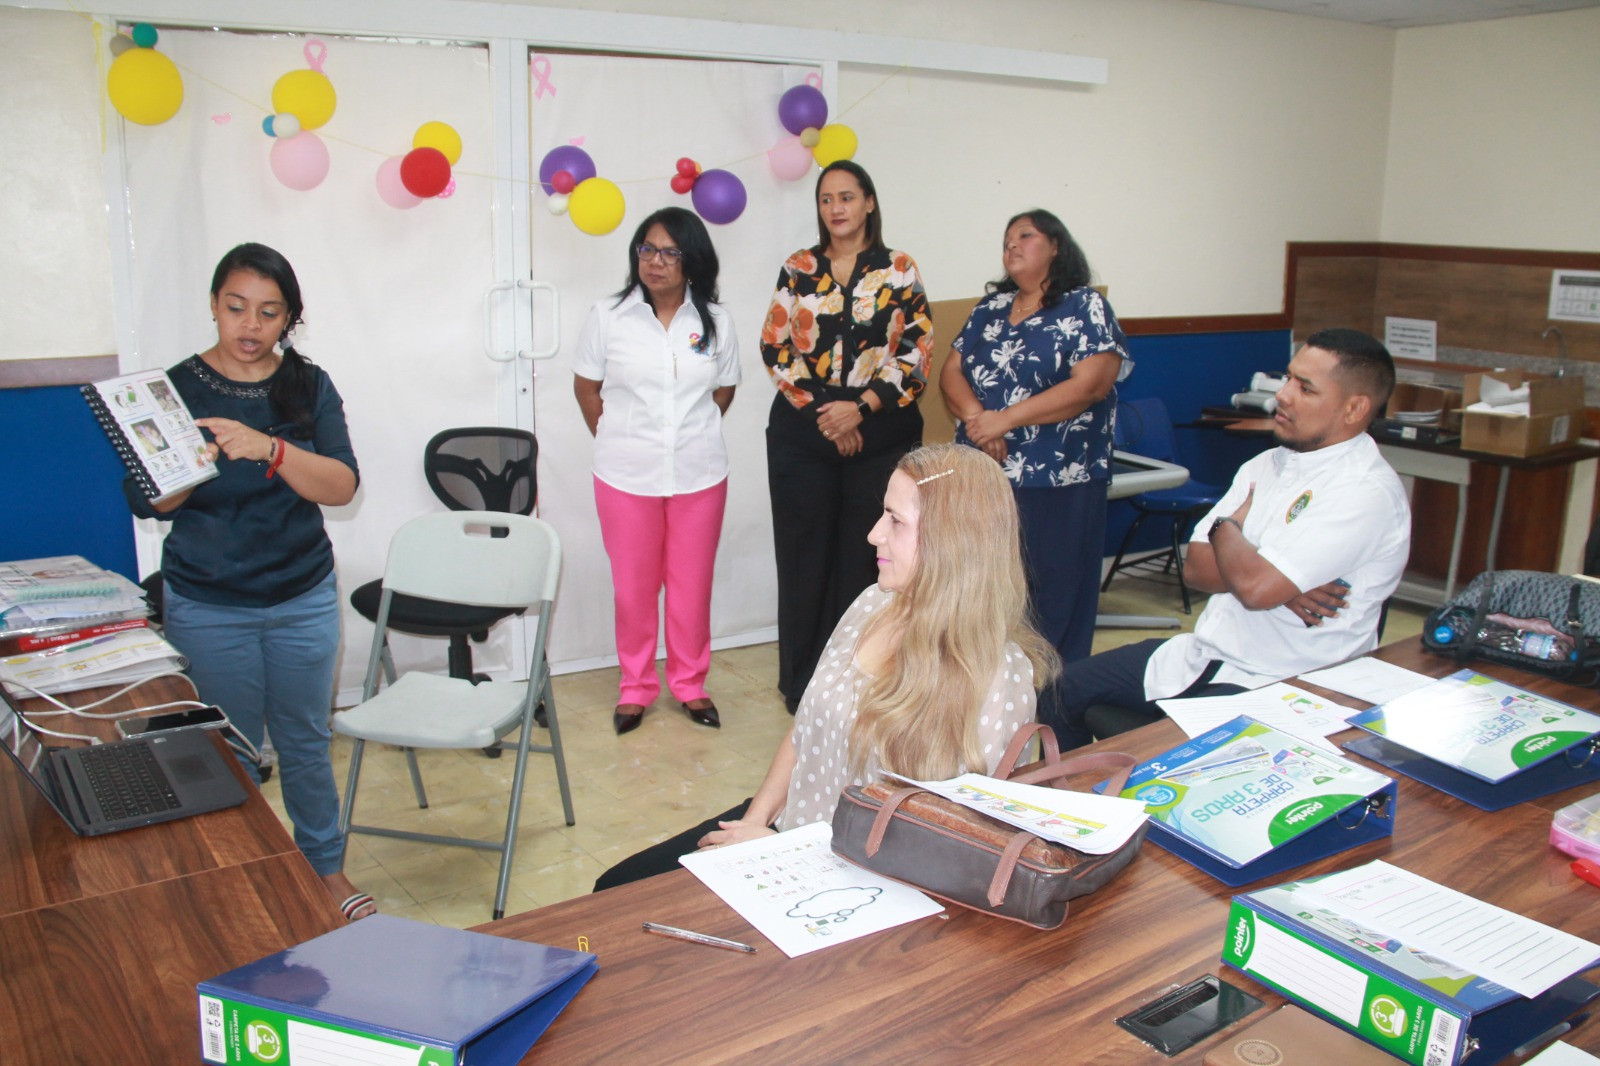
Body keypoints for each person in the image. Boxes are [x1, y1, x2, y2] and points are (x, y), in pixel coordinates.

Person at [593, 443, 1058, 889]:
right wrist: (755, 822)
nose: (874, 534)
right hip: (786, 831)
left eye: (895, 520)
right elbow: (804, 732)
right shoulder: (874, 604)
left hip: (858, 877)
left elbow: (948, 847)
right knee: (613, 886)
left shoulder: (999, 678)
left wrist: (783, 851)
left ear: (952, 542)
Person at [123, 243, 370, 921]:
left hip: (301, 594)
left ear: (288, 317)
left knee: (305, 742)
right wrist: (187, 465)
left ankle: (325, 872)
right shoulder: (175, 389)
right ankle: (237, 880)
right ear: (214, 305)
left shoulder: (308, 385)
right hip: (208, 601)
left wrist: (271, 448)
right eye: (236, 308)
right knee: (224, 751)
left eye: (268, 312)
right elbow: (147, 503)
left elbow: (341, 486)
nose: (250, 326)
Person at [1046, 328, 1411, 749]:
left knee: (1162, 753)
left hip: (1286, 680)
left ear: (1354, 408)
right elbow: (1197, 570)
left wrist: (1227, 531)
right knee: (1057, 692)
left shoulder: (1364, 490)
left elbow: (1256, 589)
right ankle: (1069, 789)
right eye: (1288, 379)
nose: (1283, 396)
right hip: (1209, 652)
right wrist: (1277, 582)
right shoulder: (1265, 464)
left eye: (1305, 388)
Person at [940, 209, 1132, 725]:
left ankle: (1053, 718)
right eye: (1006, 239)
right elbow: (952, 372)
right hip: (985, 478)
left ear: (1056, 246)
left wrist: (1004, 420)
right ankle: (989, 710)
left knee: (1053, 603)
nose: (1012, 246)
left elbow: (1091, 384)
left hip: (1059, 481)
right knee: (986, 595)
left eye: (1025, 236)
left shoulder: (1085, 305)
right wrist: (980, 421)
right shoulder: (990, 308)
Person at [760, 159, 934, 715]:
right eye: (826, 199)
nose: (836, 208)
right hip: (803, 430)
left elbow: (916, 353)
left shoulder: (899, 269)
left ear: (869, 203)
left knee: (869, 557)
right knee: (803, 557)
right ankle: (801, 684)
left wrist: (859, 410)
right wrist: (830, 417)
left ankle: (864, 677)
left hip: (881, 429)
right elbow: (776, 347)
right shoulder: (799, 268)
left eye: (847, 197)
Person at [574, 207, 741, 735]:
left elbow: (725, 388)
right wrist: (618, 436)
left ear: (693, 260)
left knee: (691, 588)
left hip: (700, 474)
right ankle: (636, 687)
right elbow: (586, 388)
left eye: (670, 252)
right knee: (634, 589)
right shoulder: (609, 316)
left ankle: (690, 684)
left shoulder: (715, 321)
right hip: (625, 476)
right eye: (647, 249)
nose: (656, 261)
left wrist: (690, 432)